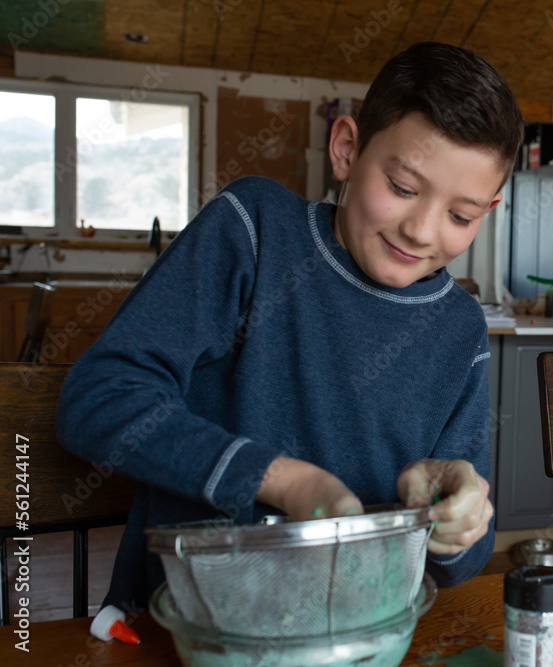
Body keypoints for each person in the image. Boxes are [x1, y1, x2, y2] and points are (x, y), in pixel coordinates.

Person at [56, 41, 524, 611]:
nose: (423, 230)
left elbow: (459, 568)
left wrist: (456, 525)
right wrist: (286, 481)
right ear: (347, 149)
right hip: (186, 623)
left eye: (460, 216)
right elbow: (97, 400)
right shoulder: (254, 231)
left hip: (352, 629)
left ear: (489, 209)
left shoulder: (461, 330)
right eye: (402, 188)